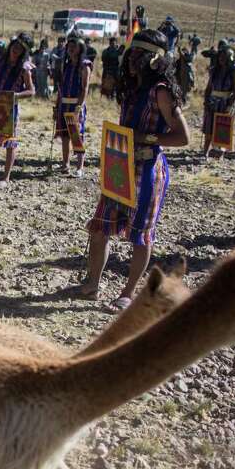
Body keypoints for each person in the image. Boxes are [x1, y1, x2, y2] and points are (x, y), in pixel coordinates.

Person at [79, 29, 188, 309]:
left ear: (154, 59)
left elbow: (182, 137)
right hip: (121, 165)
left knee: (140, 233)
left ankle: (127, 293)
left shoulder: (160, 91)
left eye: (140, 54)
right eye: (133, 53)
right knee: (101, 226)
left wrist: (144, 138)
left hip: (148, 170)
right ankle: (92, 284)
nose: (133, 59)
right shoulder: (133, 87)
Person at [0, 33, 35, 189]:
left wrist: (15, 96)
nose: (15, 50)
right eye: (14, 46)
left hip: (11, 108)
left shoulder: (25, 69)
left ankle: (6, 178)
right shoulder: (0, 62)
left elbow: (31, 91)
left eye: (19, 48)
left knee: (10, 142)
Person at [55, 31, 91, 176]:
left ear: (80, 47)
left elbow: (85, 88)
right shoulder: (66, 65)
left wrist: (78, 108)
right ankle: (65, 164)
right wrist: (56, 106)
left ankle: (79, 167)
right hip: (64, 105)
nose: (70, 48)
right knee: (64, 135)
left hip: (76, 105)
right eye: (69, 46)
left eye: (74, 46)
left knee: (76, 135)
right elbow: (61, 88)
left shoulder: (85, 66)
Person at [201, 45, 235, 157]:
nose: (221, 59)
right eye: (220, 57)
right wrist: (206, 101)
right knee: (209, 127)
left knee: (223, 128)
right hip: (213, 101)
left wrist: (230, 105)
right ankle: (205, 153)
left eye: (224, 57)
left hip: (225, 102)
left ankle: (220, 153)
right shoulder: (214, 70)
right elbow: (209, 88)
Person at [100, 36, 123, 100]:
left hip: (108, 70)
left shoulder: (106, 51)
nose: (113, 44)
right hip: (112, 70)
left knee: (110, 84)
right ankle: (111, 96)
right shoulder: (116, 51)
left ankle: (111, 96)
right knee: (113, 84)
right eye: (113, 43)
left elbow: (103, 59)